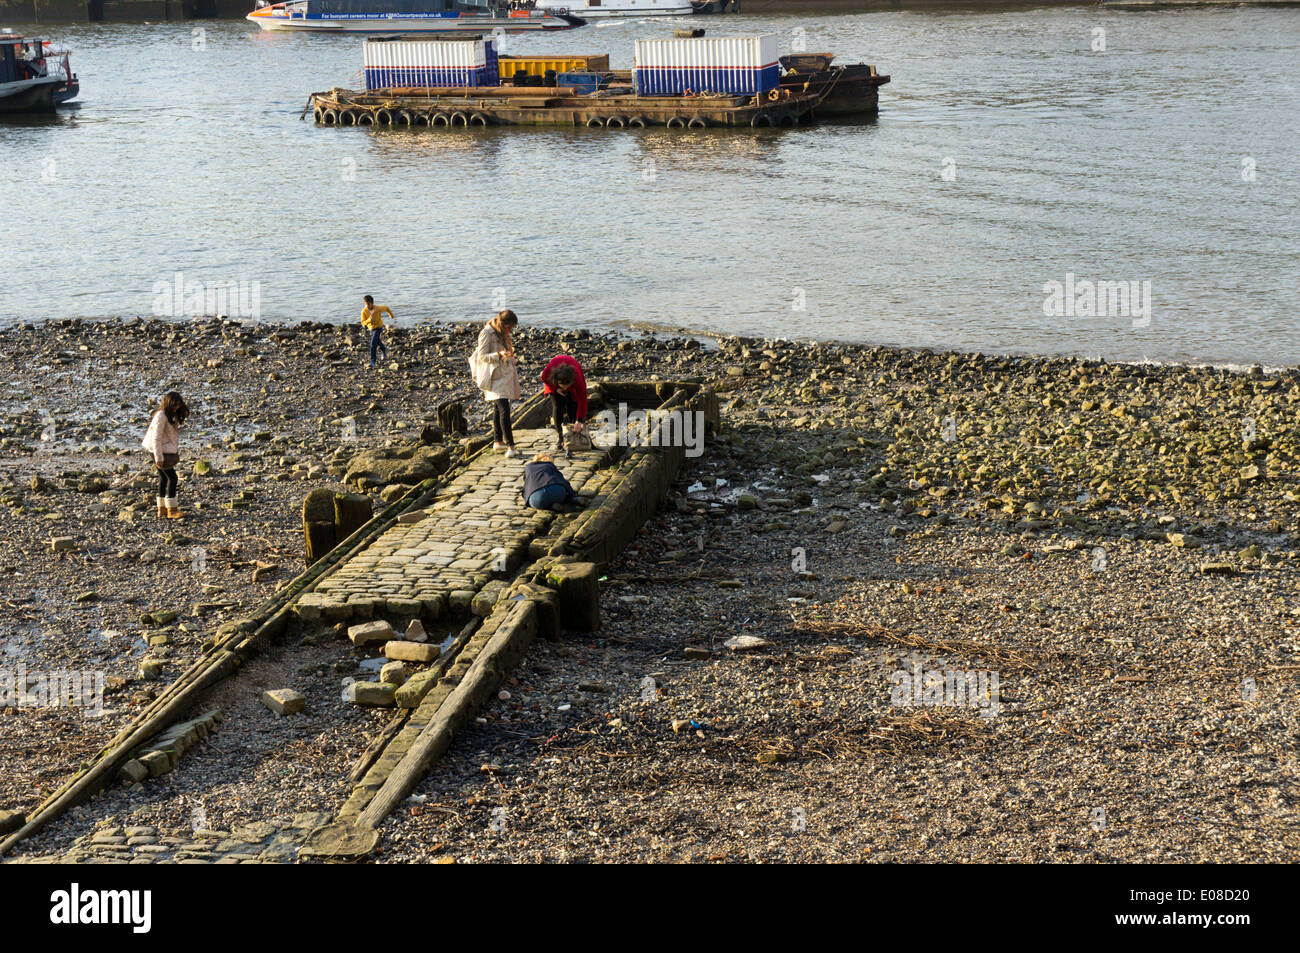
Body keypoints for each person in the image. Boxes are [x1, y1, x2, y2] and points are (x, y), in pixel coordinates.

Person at [471, 309, 522, 457]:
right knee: (504, 409)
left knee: (498, 408)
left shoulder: (502, 332)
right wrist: (499, 354)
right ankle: (511, 446)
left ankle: (498, 442)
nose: (510, 330)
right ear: (503, 323)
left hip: (504, 374)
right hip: (494, 375)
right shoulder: (486, 333)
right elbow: (482, 356)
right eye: (509, 327)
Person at [142, 391, 189, 520]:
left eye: (178, 405)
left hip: (159, 450)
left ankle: (162, 509)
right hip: (158, 451)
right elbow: (156, 438)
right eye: (174, 405)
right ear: (168, 403)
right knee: (172, 478)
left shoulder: (169, 414)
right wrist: (159, 458)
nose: (176, 408)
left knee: (163, 478)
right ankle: (171, 510)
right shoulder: (161, 416)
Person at [540, 354, 588, 450]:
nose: (565, 389)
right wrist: (555, 388)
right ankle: (560, 437)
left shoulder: (577, 378)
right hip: (554, 383)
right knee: (557, 406)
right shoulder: (548, 372)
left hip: (571, 377)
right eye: (564, 387)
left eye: (567, 387)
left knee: (573, 404)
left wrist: (579, 420)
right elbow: (543, 378)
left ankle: (573, 433)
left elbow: (582, 399)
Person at [361, 295, 393, 368]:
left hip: (378, 327)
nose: (366, 306)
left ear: (372, 303)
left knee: (373, 343)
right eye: (365, 304)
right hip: (371, 328)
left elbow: (386, 308)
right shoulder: (364, 311)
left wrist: (391, 315)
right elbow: (363, 323)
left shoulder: (377, 308)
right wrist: (368, 320)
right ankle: (384, 349)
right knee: (377, 341)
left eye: (368, 304)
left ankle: (373, 360)